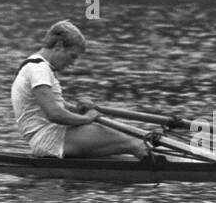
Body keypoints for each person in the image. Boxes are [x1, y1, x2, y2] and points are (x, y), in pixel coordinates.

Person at [11, 20, 150, 160]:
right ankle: (165, 172)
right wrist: (86, 119)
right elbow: (54, 114)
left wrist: (77, 110)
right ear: (59, 45)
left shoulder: (36, 65)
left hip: (51, 137)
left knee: (122, 151)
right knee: (135, 143)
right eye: (72, 56)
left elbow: (55, 105)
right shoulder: (38, 69)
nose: (72, 63)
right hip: (50, 139)